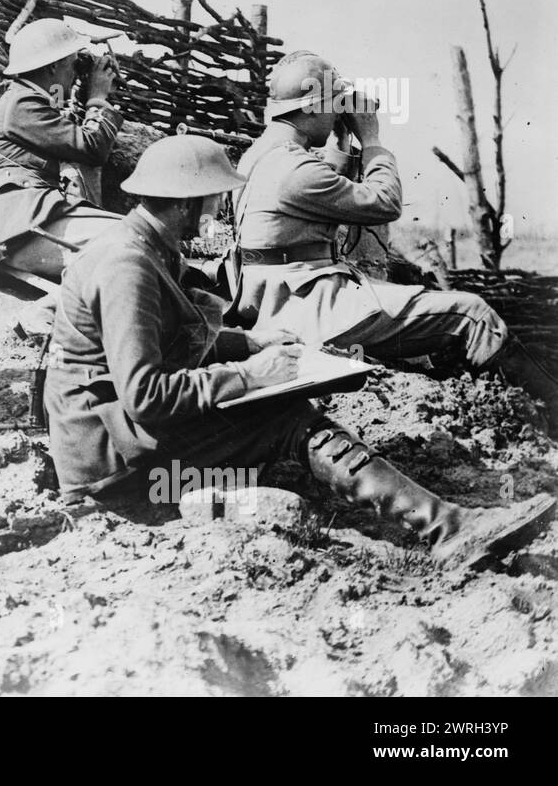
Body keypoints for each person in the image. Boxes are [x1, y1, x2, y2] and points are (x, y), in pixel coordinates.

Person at [44, 133, 555, 569]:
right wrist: (251, 376)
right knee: (288, 418)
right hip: (112, 465)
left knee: (272, 420)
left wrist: (249, 343)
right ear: (182, 203)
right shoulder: (128, 266)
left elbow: (163, 340)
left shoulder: (140, 247)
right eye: (210, 199)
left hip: (113, 440)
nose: (215, 210)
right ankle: (448, 530)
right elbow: (147, 395)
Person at [232, 50, 558, 416]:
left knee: (421, 308)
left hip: (280, 299)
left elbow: (323, 196)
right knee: (474, 313)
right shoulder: (294, 167)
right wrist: (371, 138)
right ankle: (552, 410)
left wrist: (341, 144)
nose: (341, 111)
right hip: (311, 311)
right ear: (311, 108)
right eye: (335, 104)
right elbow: (383, 204)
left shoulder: (262, 155)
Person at [0, 17, 125, 282]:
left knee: (135, 239)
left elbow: (77, 136)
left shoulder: (30, 101)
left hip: (31, 223)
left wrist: (86, 92)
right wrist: (97, 96)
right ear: (53, 67)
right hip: (20, 234)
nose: (77, 71)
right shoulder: (22, 105)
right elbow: (91, 147)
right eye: (74, 63)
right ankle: (51, 311)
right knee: (133, 240)